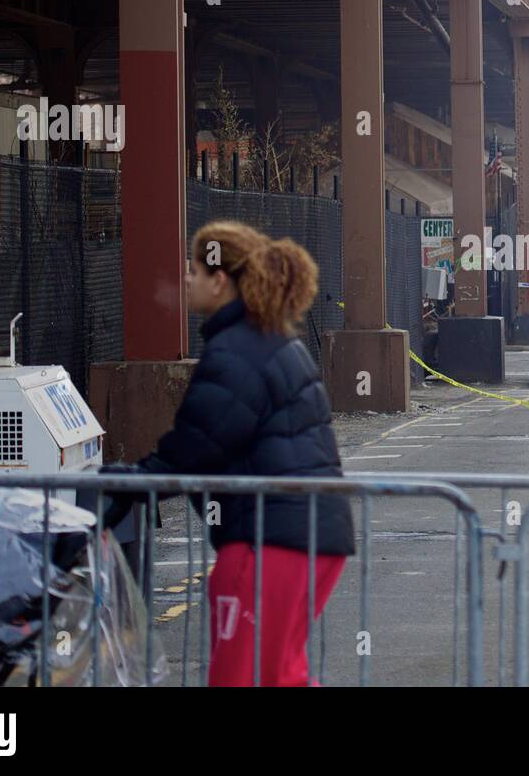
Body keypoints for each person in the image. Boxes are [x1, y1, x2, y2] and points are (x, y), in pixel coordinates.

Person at [103, 220, 355, 687]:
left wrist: (132, 484)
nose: (187, 280)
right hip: (310, 536)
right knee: (280, 675)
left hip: (270, 543)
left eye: (195, 270)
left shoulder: (237, 350)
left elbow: (199, 442)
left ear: (220, 280)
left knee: (241, 677)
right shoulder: (269, 341)